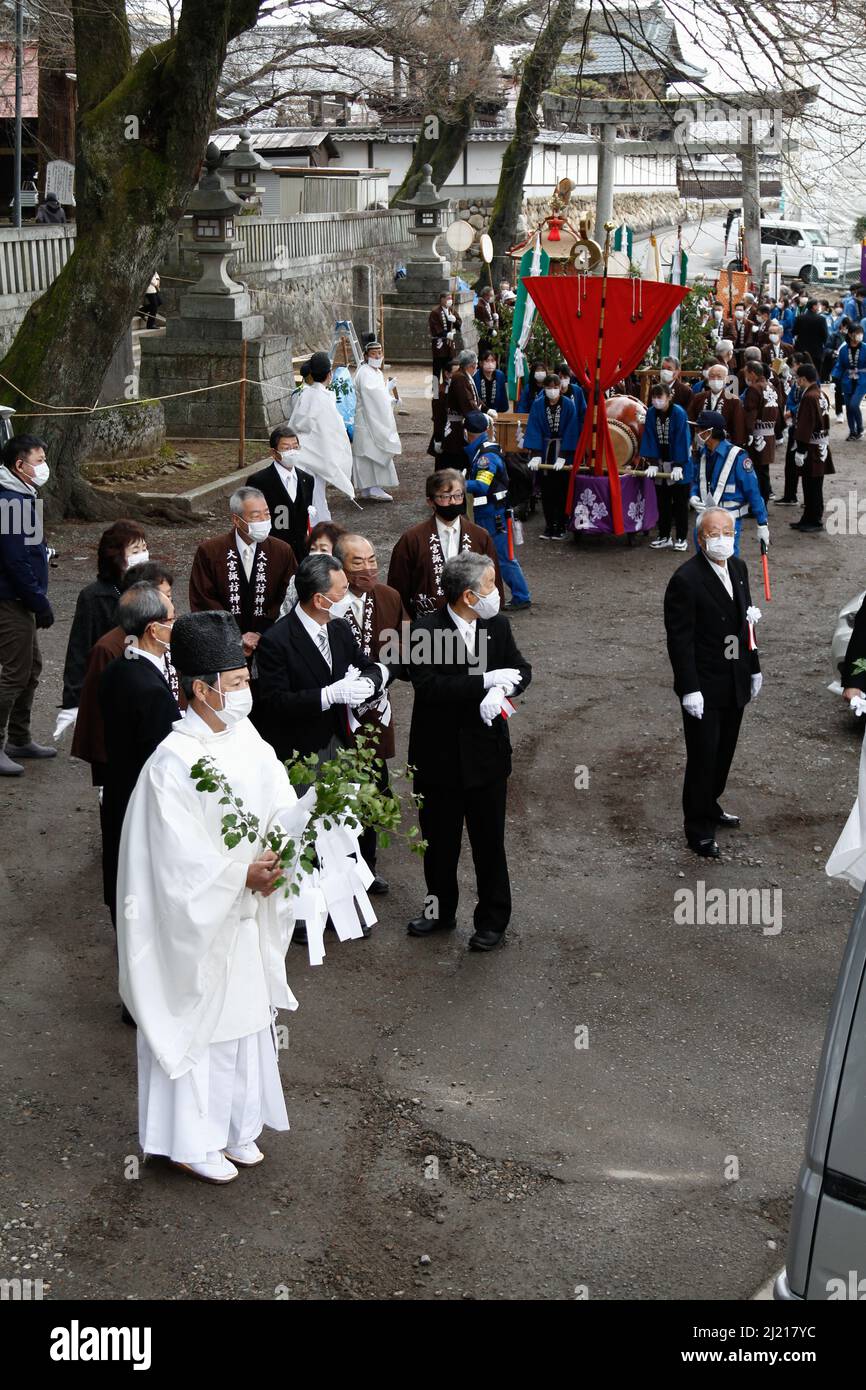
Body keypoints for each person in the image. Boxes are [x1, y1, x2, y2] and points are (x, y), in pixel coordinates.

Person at [116, 610, 316, 1185]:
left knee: (245, 1018)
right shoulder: (172, 765)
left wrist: (297, 829)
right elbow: (173, 865)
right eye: (236, 683)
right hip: (202, 922)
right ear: (201, 689)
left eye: (246, 679)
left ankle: (234, 1126)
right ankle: (188, 1140)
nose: (246, 692)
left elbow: (276, 800)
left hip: (245, 916)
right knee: (200, 1018)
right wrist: (237, 877)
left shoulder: (247, 737)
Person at [406, 552, 531, 951]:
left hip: (486, 757)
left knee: (489, 843)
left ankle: (493, 919)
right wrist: (482, 681)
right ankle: (438, 911)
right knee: (439, 844)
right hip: (438, 757)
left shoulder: (498, 626)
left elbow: (521, 670)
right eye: (491, 585)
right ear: (467, 595)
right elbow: (429, 687)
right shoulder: (426, 630)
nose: (497, 592)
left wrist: (503, 689)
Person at [663, 506, 762, 859]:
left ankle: (711, 803)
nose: (722, 539)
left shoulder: (738, 568)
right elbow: (680, 640)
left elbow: (745, 624)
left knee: (724, 752)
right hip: (703, 686)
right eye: (714, 533)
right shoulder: (686, 580)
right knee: (703, 756)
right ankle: (698, 827)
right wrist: (689, 688)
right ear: (701, 538)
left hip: (734, 678)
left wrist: (753, 667)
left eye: (728, 532)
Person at [252, 553, 387, 772]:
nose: (348, 596)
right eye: (343, 591)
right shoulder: (276, 640)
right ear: (319, 600)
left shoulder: (339, 628)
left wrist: (368, 683)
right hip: (301, 755)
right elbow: (274, 702)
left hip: (343, 742)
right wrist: (328, 695)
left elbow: (368, 666)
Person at [98, 582, 179, 939]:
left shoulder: (118, 668)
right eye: (173, 619)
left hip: (118, 792)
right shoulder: (148, 689)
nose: (177, 625)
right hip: (142, 801)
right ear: (153, 629)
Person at [332, 532, 409, 892]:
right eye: (357, 562)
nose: (368, 569)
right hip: (333, 712)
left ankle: (367, 867)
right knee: (336, 787)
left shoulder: (389, 598)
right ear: (340, 567)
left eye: (372, 560)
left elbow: (401, 652)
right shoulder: (327, 600)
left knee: (375, 788)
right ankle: (335, 868)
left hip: (375, 711)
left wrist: (381, 677)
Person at [72, 564, 178, 791]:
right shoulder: (110, 651)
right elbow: (97, 716)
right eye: (170, 618)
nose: (174, 622)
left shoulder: (158, 649)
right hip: (140, 776)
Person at [58, 520, 149, 729]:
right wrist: (73, 701)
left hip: (146, 680)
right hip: (111, 683)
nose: (143, 554)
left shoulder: (153, 589)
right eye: (136, 550)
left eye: (144, 548)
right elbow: (79, 649)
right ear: (116, 555)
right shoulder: (94, 596)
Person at [0, 433, 55, 777]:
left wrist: (46, 555)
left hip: (24, 598)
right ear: (19, 465)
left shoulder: (26, 495)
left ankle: (19, 738)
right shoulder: (10, 501)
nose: (43, 467)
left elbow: (32, 548)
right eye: (38, 461)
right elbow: (14, 561)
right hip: (11, 600)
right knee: (16, 673)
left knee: (31, 668)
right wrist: (39, 600)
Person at [189, 489, 297, 660]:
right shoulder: (210, 551)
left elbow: (288, 596)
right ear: (236, 520)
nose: (264, 521)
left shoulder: (282, 550)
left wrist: (262, 632)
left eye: (267, 514)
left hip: (270, 642)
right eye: (255, 516)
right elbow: (203, 598)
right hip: (224, 646)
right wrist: (234, 637)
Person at [386, 470, 502, 619]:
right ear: (430, 501)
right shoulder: (412, 539)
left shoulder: (479, 536)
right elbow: (398, 586)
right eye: (445, 497)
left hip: (473, 616)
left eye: (458, 495)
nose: (453, 501)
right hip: (427, 622)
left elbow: (494, 580)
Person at [463, 411, 531, 610]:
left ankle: (521, 596)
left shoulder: (486, 457)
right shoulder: (483, 450)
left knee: (504, 557)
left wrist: (458, 482)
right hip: (489, 512)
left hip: (494, 514)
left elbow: (482, 485)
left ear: (469, 433)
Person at [688, 410, 769, 556]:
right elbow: (697, 480)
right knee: (702, 562)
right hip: (706, 517)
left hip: (728, 520)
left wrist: (762, 523)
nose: (696, 433)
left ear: (710, 432)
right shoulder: (704, 453)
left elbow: (753, 492)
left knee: (727, 561)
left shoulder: (738, 457)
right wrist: (693, 495)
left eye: (699, 429)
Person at [286, 351, 355, 521]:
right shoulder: (324, 399)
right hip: (316, 458)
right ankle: (317, 533)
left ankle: (312, 529)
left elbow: (295, 423)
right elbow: (333, 434)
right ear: (329, 374)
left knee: (305, 499)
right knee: (315, 499)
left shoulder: (305, 394)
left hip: (300, 455)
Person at [524, 373, 585, 541]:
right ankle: (549, 525)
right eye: (549, 388)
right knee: (546, 489)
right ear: (544, 389)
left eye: (555, 388)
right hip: (544, 449)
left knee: (562, 488)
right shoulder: (537, 405)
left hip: (563, 449)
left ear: (561, 388)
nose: (552, 391)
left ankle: (562, 525)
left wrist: (564, 455)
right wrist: (536, 454)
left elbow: (572, 429)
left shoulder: (568, 404)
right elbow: (534, 427)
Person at [246, 426, 315, 560]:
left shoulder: (307, 480)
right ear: (273, 452)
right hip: (272, 551)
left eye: (295, 447)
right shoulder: (259, 481)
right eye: (286, 448)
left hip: (301, 551)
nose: (292, 452)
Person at [641, 383, 691, 553]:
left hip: (679, 464)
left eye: (659, 397)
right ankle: (664, 536)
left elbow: (681, 438)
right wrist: (653, 462)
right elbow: (649, 436)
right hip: (661, 464)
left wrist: (678, 465)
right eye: (653, 398)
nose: (656, 401)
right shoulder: (650, 413)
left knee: (680, 504)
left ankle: (682, 538)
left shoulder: (678, 413)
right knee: (662, 502)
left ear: (669, 397)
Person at [352, 340, 401, 502]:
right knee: (371, 451)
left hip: (370, 418)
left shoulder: (376, 373)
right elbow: (373, 398)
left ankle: (368, 488)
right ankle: (372, 487)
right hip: (368, 419)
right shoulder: (365, 372)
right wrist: (388, 394)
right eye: (373, 353)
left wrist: (388, 396)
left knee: (368, 453)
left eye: (379, 353)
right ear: (366, 356)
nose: (377, 356)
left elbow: (378, 395)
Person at [790, 363, 834, 534]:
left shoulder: (809, 396)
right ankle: (808, 517)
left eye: (797, 378)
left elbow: (806, 425)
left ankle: (814, 519)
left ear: (802, 379)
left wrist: (801, 449)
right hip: (820, 444)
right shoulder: (820, 393)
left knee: (812, 485)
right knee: (812, 484)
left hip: (812, 446)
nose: (796, 381)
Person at [278, 521, 346, 618]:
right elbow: (285, 615)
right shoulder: (298, 579)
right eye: (313, 549)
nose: (316, 554)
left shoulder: (344, 580)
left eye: (323, 550)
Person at [740, 360, 779, 505]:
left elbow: (751, 412)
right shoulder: (771, 387)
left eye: (746, 373)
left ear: (752, 373)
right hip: (770, 433)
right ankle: (763, 501)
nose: (746, 376)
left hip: (757, 435)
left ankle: (758, 503)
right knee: (764, 470)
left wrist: (748, 432)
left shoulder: (754, 389)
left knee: (756, 471)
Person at [687, 361, 746, 446]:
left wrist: (735, 448)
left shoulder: (734, 401)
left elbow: (738, 428)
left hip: (724, 446)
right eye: (712, 376)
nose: (715, 379)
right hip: (701, 444)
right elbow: (691, 420)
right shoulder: (698, 398)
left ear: (726, 379)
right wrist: (691, 443)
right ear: (707, 379)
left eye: (719, 377)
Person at [442, 349, 482, 462]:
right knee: (457, 458)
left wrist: (486, 409)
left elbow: (474, 398)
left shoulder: (465, 376)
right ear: (471, 365)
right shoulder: (459, 378)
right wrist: (479, 416)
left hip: (462, 423)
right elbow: (467, 402)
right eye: (475, 364)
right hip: (456, 426)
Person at [832, 322, 866, 441]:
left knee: (853, 404)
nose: (860, 335)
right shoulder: (844, 349)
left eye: (861, 333)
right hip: (847, 380)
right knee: (848, 407)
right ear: (850, 334)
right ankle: (852, 431)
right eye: (857, 333)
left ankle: (860, 428)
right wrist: (834, 378)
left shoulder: (865, 347)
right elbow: (840, 365)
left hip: (862, 379)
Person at [792, 298, 829, 376]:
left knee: (801, 373)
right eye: (817, 305)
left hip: (801, 349)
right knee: (814, 373)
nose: (818, 307)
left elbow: (794, 332)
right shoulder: (821, 319)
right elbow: (825, 335)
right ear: (814, 306)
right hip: (816, 350)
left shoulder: (800, 318)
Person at [428, 359, 456, 461]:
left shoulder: (458, 387)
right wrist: (438, 438)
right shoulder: (440, 391)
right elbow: (437, 418)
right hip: (444, 431)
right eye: (455, 373)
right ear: (447, 374)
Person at [429, 292, 460, 382]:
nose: (450, 300)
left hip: (449, 345)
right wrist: (446, 334)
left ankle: (447, 388)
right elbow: (435, 327)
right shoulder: (435, 312)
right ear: (442, 299)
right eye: (448, 298)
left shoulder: (452, 310)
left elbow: (459, 323)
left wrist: (455, 321)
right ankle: (435, 391)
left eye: (451, 298)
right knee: (437, 369)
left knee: (448, 368)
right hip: (440, 345)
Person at [474, 350, 509, 414]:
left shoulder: (500, 375)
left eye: (492, 361)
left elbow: (503, 396)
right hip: (479, 412)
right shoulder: (476, 376)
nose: (490, 363)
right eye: (487, 361)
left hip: (496, 412)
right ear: (481, 363)